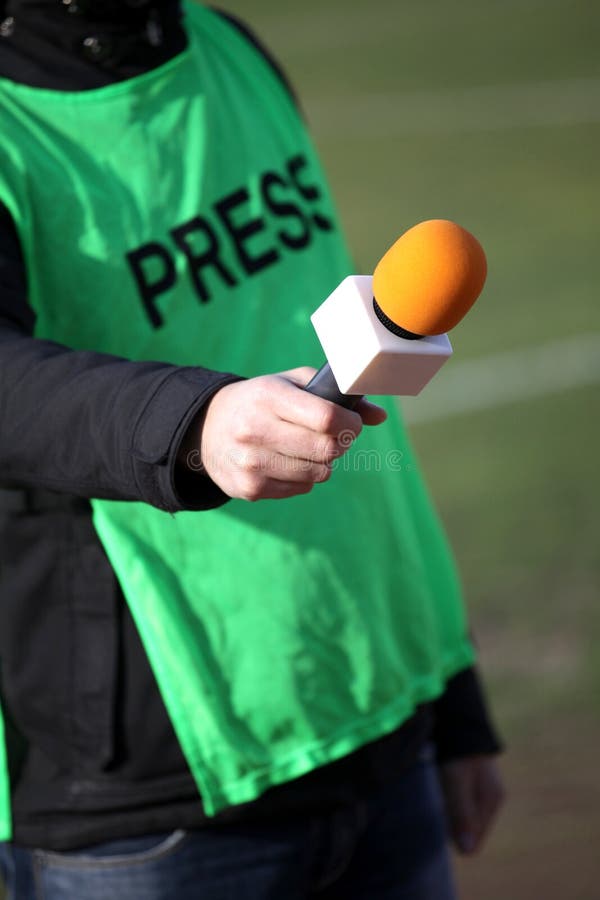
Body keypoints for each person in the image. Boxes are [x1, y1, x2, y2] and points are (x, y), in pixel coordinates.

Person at [0, 2, 504, 898]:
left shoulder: (228, 45)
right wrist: (190, 423)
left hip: (383, 718)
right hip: (156, 797)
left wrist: (451, 695)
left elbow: (349, 367)